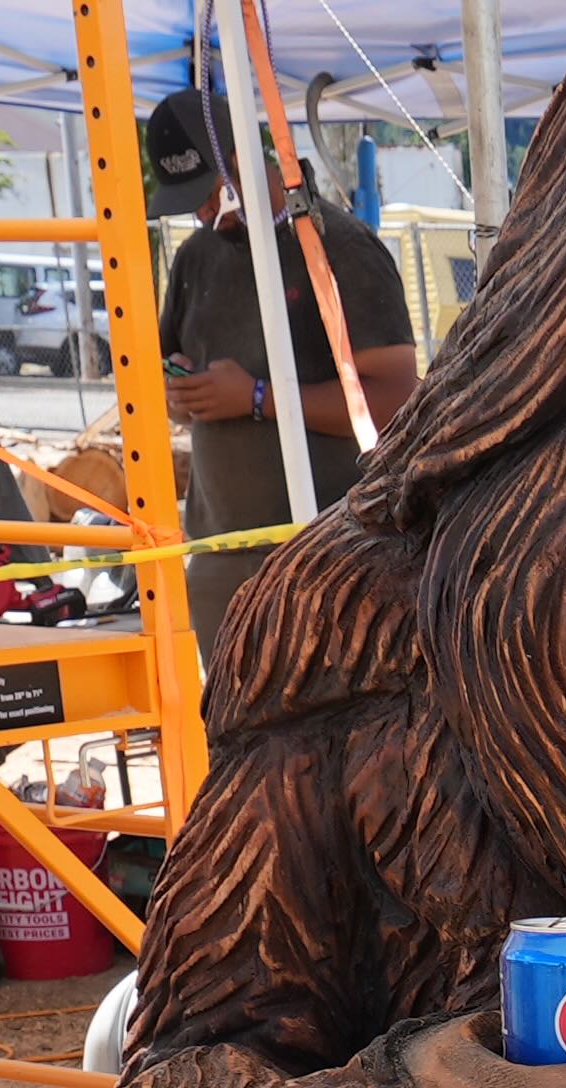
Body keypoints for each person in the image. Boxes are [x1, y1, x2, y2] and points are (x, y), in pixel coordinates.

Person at [145, 84, 420, 660]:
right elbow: (166, 374)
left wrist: (257, 398)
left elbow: (397, 399)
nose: (201, 212)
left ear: (243, 159)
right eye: (189, 200)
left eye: (208, 192)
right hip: (220, 553)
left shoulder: (340, 248)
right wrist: (181, 390)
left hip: (331, 553)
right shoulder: (195, 258)